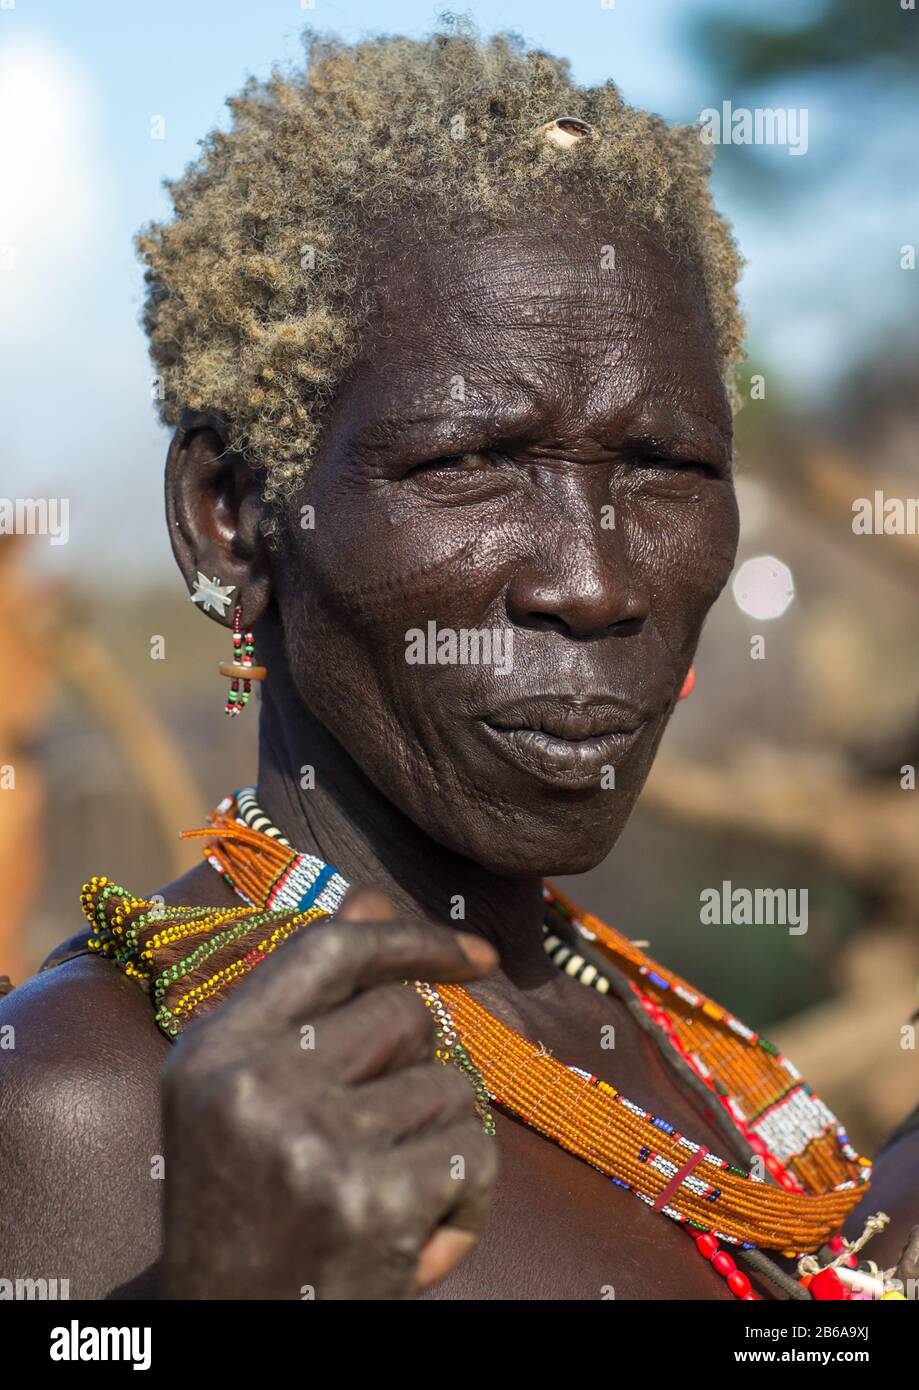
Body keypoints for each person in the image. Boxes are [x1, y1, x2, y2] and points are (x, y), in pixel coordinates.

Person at [1, 26, 916, 1301]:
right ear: (232, 517)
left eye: (666, 470)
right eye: (468, 464)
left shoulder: (680, 1061)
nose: (592, 583)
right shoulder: (85, 1100)